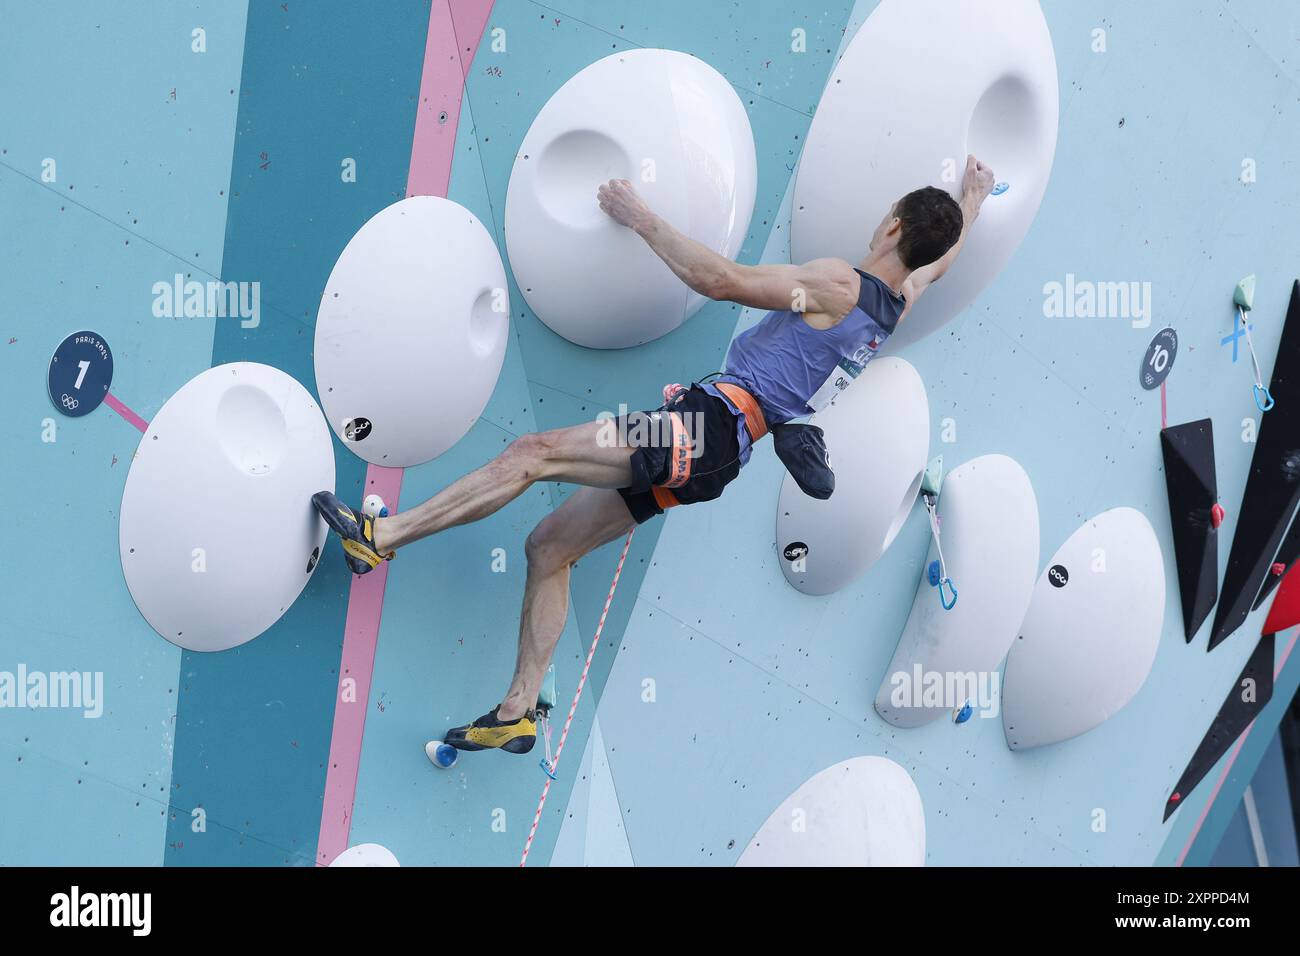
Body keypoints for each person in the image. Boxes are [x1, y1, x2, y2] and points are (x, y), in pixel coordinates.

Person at [311, 154, 997, 756]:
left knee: (535, 451)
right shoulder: (894, 305)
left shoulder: (838, 284)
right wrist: (970, 199)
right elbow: (936, 268)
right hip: (719, 451)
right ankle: (518, 713)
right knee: (550, 549)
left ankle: (382, 537)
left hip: (704, 431)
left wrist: (641, 216)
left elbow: (723, 279)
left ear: (891, 228)